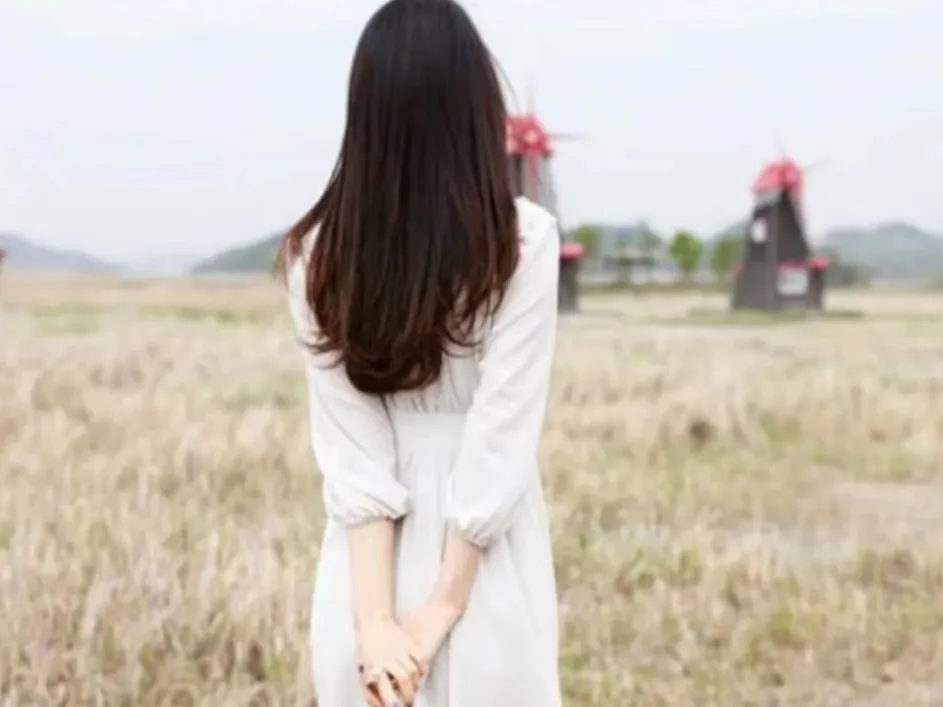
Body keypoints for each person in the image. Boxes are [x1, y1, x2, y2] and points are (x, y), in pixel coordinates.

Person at [279, 1, 562, 705]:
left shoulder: (317, 255)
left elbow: (354, 454)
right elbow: (498, 436)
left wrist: (375, 623)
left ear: (365, 114)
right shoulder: (523, 241)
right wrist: (443, 605)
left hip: (366, 563)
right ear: (476, 109)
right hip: (485, 556)